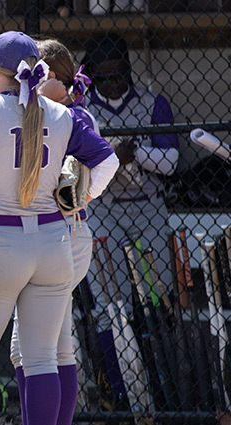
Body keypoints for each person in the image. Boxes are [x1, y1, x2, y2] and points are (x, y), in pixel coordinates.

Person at [0, 31, 118, 425]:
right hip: (53, 240)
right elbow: (108, 163)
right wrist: (80, 200)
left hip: (0, 239)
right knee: (41, 360)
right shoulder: (62, 113)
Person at [5, 37, 104, 425]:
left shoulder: (68, 114)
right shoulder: (59, 111)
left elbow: (97, 170)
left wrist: (84, 196)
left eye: (35, 72)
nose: (25, 81)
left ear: (54, 77)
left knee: (31, 350)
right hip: (59, 238)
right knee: (57, 346)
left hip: (61, 234)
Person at [83, 31, 178, 352]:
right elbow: (77, 168)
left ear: (129, 68)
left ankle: (165, 374)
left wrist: (136, 152)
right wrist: (114, 157)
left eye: (120, 74)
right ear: (93, 75)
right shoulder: (83, 109)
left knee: (162, 296)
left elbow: (171, 162)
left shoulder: (152, 102)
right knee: (112, 300)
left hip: (148, 207)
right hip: (103, 209)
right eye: (105, 77)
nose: (113, 83)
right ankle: (119, 389)